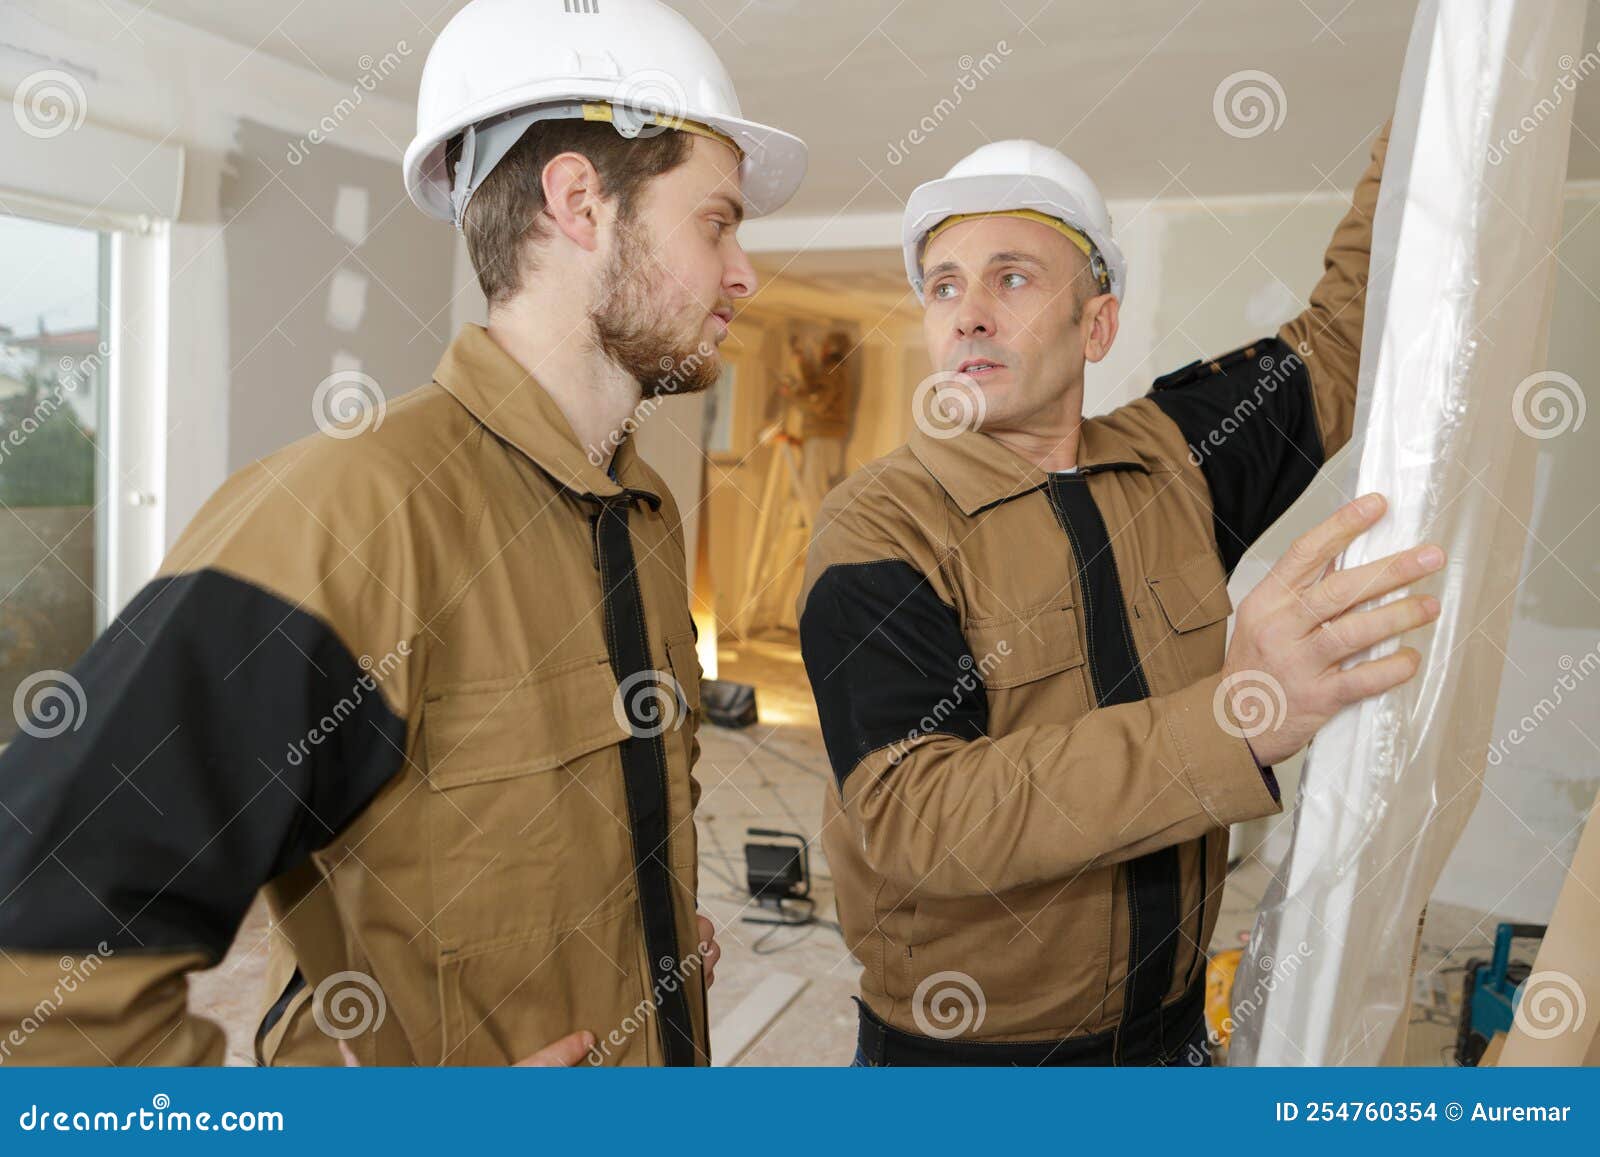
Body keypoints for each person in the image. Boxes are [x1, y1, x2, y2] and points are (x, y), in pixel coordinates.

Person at [0, 0, 804, 1066]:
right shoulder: (346, 511)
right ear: (580, 202)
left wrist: (642, 941)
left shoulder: (644, 519)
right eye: (716, 220)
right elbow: (38, 947)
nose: (743, 271)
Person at [798, 122, 1443, 1065]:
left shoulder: (1179, 464)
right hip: (971, 1066)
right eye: (945, 285)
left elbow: (1343, 337)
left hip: (1171, 1035)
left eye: (1011, 276)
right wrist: (1238, 722)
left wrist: (1416, 130)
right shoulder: (880, 524)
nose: (968, 312)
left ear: (1095, 322)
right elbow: (914, 816)